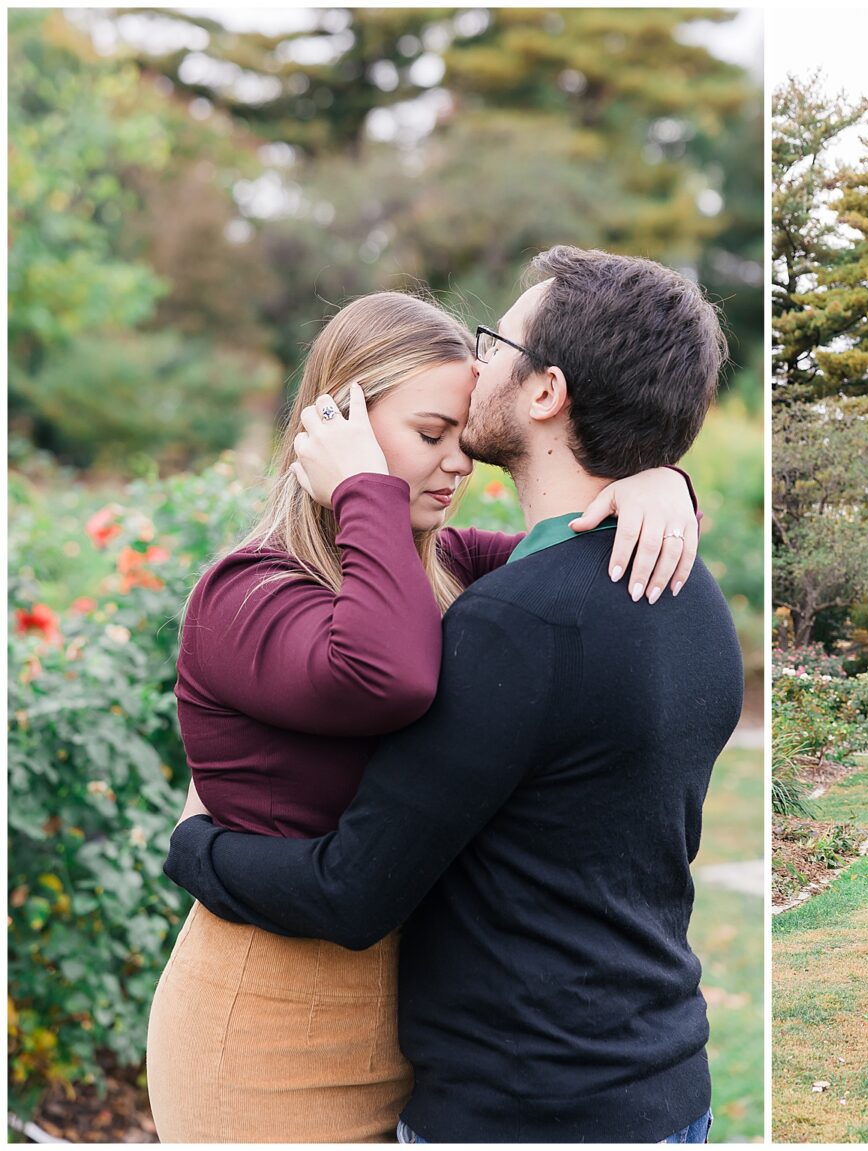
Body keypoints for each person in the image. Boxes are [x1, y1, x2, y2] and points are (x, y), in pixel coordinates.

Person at [163, 246, 742, 1143]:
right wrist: (663, 477)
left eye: (497, 343)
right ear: (338, 425)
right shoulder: (684, 593)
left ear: (546, 391)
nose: (479, 380)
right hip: (302, 1017)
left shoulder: (512, 608)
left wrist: (192, 844)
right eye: (428, 431)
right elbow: (422, 650)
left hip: (529, 1096)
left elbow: (359, 867)